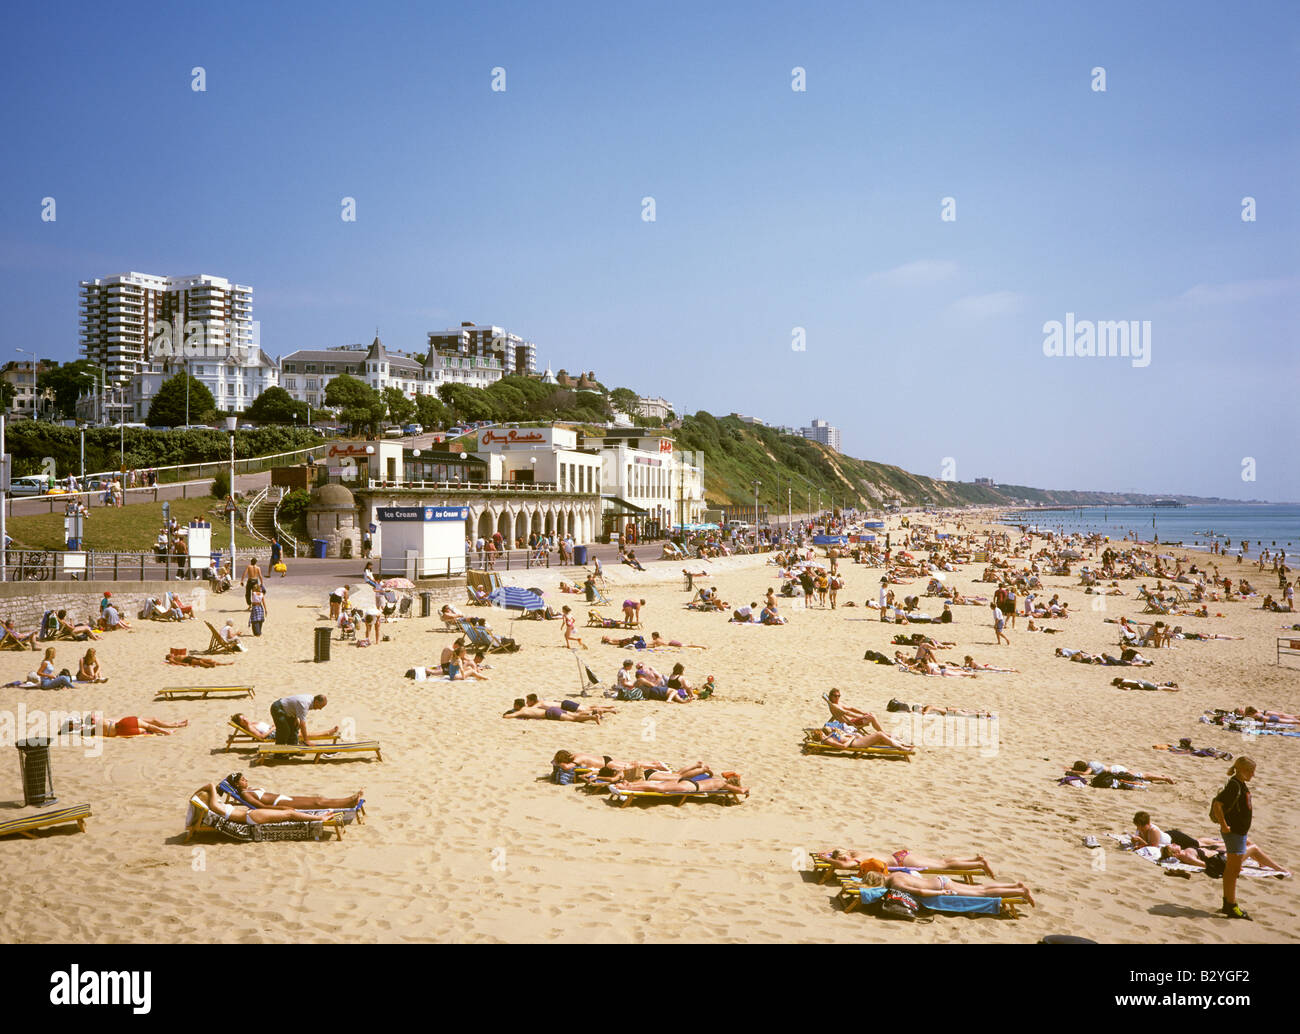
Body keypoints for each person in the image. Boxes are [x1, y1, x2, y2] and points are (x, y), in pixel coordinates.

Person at [1210, 756, 1256, 920]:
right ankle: (1231, 905)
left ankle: (1227, 903)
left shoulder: (1239, 784)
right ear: (1243, 771)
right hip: (1234, 833)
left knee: (1232, 869)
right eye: (1251, 771)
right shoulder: (1234, 785)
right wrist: (1223, 825)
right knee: (1232, 870)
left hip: (1239, 832)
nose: (1253, 775)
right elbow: (1218, 805)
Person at [859, 869, 1034, 906]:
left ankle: (1020, 892)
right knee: (980, 888)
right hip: (940, 879)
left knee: (981, 893)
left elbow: (920, 892)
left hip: (941, 885)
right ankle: (1015, 885)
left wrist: (941, 893)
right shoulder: (895, 875)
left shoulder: (896, 884)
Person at [191, 782, 337, 825]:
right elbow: (210, 784)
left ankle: (319, 818)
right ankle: (319, 818)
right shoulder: (216, 808)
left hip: (251, 815)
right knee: (290, 814)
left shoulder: (218, 806)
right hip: (252, 817)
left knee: (289, 814)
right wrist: (201, 792)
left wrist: (200, 795)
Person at [222, 772, 363, 811]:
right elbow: (261, 807)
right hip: (280, 803)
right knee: (318, 802)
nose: (246, 781)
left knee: (317, 799)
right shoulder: (245, 794)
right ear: (236, 784)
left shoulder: (248, 790)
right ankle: (349, 802)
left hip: (284, 797)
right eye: (242, 780)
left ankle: (347, 801)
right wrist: (282, 808)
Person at [89, 714, 189, 736]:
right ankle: (173, 727)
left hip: (122, 731)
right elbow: (116, 721)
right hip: (123, 725)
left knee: (149, 726)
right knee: (151, 723)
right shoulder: (102, 721)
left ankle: (173, 725)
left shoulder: (99, 731)